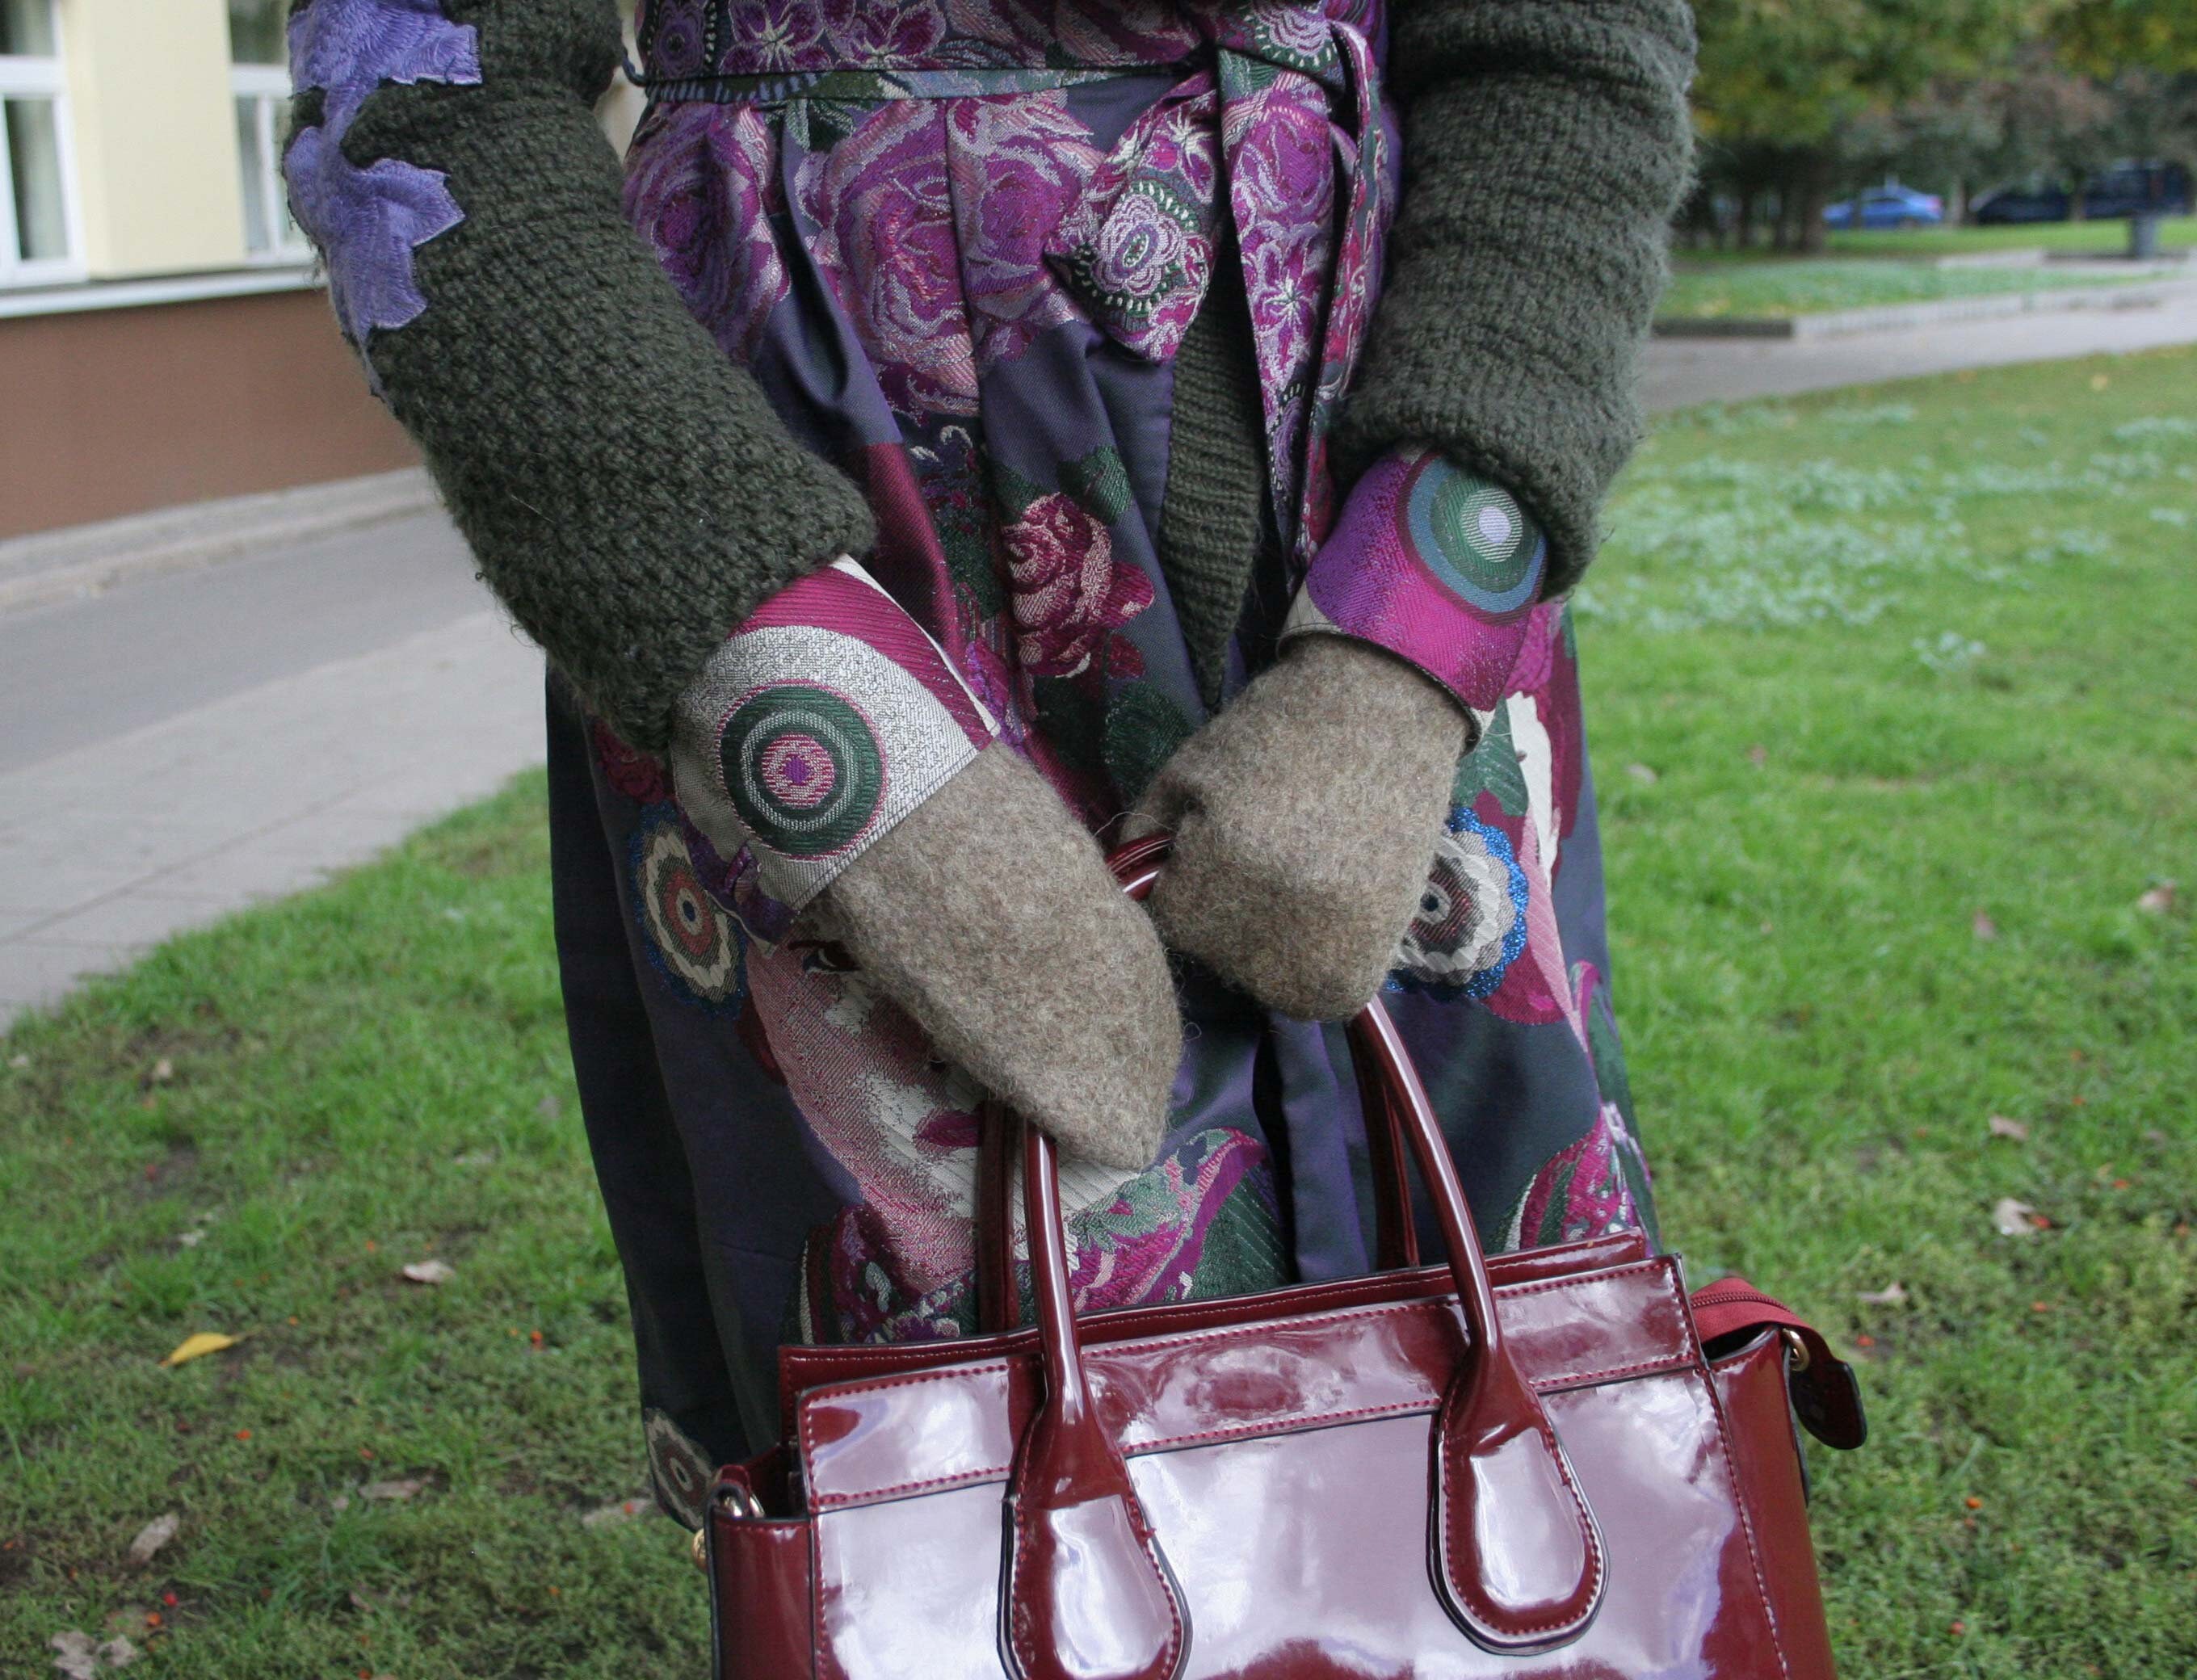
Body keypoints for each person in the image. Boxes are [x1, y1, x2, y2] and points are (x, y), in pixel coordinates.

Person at [285, 0, 1696, 1531]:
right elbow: (419, 96)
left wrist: (1409, 640)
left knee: (1491, 1308)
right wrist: (814, 735)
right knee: (949, 1420)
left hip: (1368, 456)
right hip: (806, 511)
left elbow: (1570, 52)